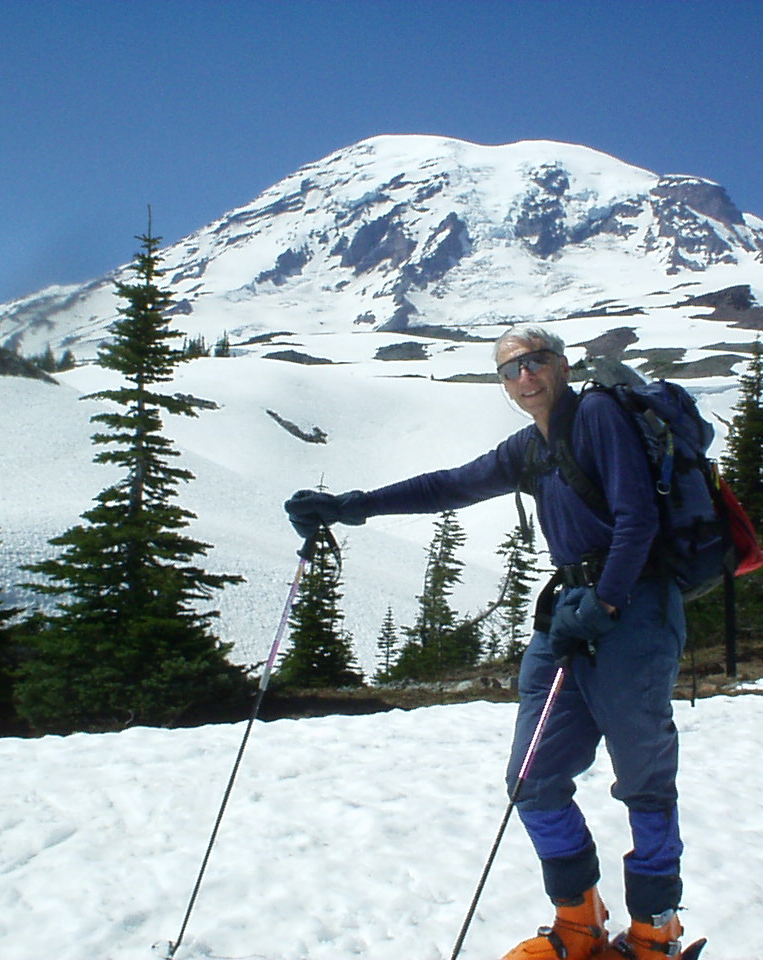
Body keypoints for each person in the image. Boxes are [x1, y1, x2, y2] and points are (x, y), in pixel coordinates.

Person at [285, 324, 705, 960]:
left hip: (633, 608)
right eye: (510, 369)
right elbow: (449, 486)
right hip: (571, 612)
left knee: (644, 778)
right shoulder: (529, 447)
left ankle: (655, 931)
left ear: (560, 365)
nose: (524, 376)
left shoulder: (595, 415)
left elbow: (638, 517)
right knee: (532, 779)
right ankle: (578, 920)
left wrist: (606, 602)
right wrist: (352, 505)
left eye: (535, 362)